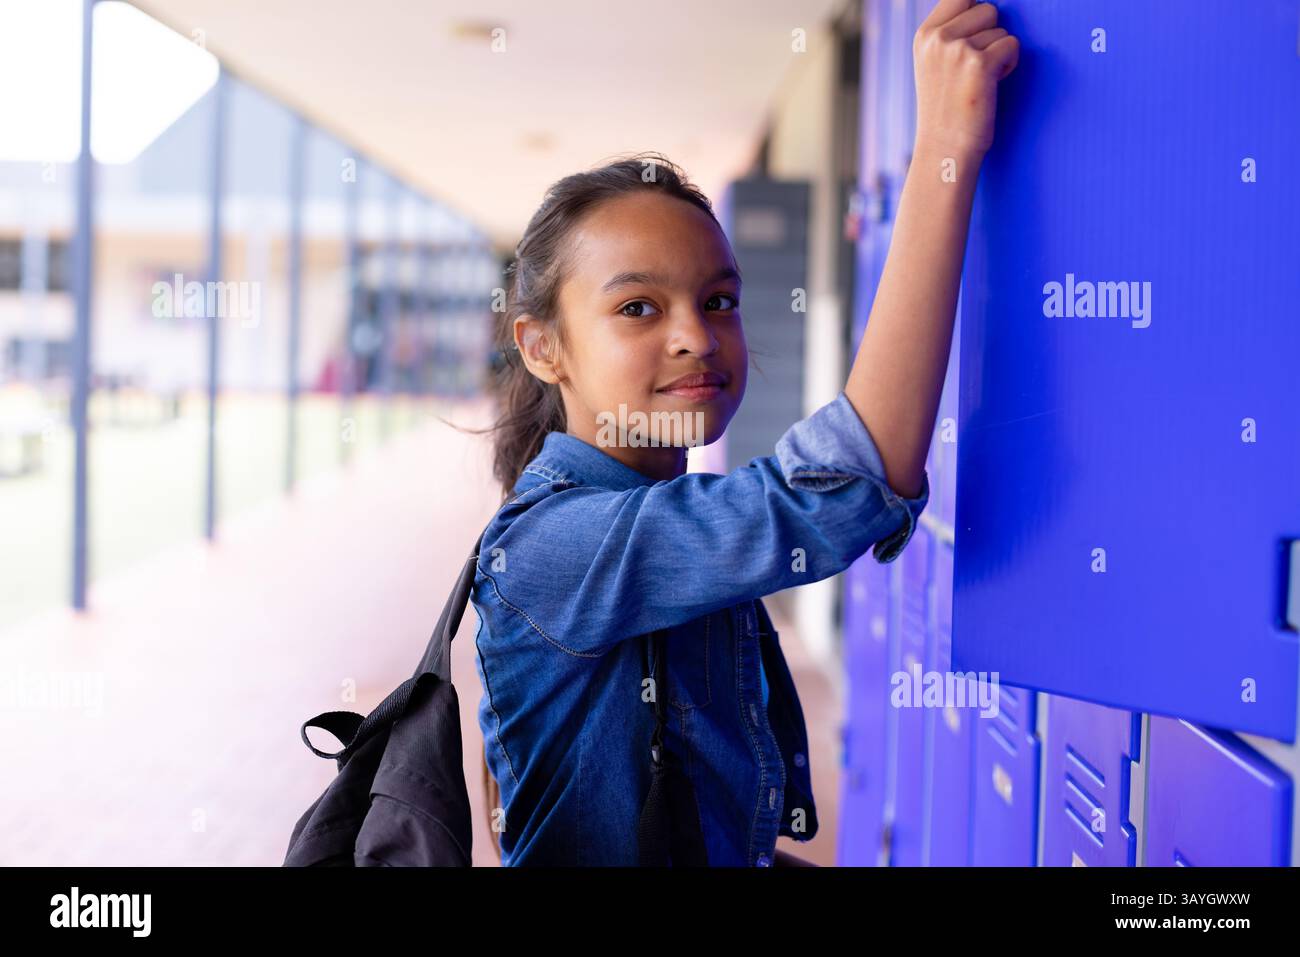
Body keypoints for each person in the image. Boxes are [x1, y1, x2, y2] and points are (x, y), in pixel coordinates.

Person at [466, 0, 1019, 866]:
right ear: (543, 348)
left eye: (717, 300)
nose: (695, 334)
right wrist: (945, 150)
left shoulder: (662, 520)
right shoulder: (554, 546)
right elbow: (844, 480)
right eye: (638, 307)